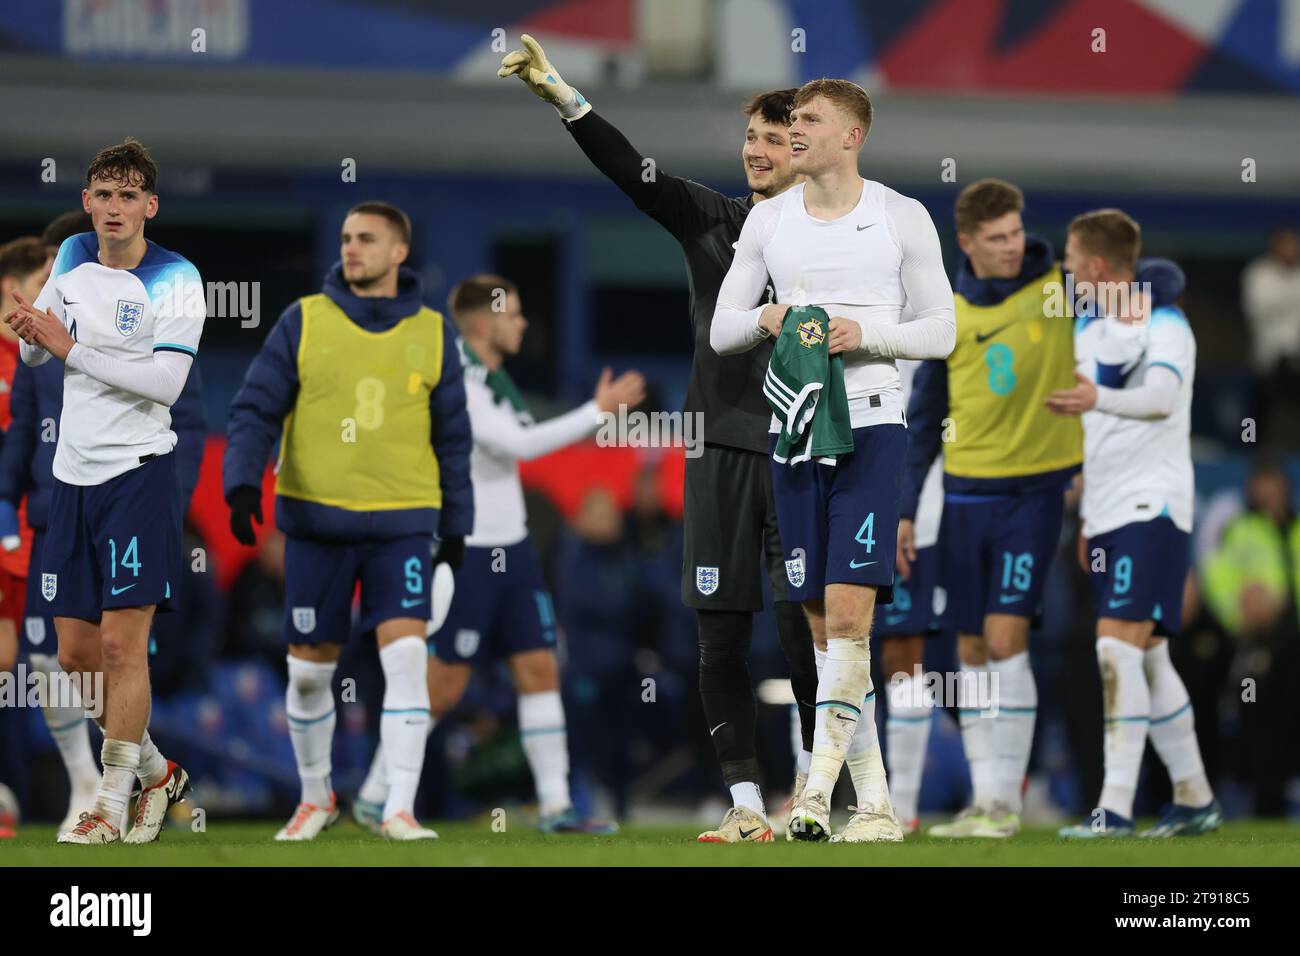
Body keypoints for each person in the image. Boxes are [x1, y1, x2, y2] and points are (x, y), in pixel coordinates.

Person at [499, 34, 820, 843]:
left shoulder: (839, 239)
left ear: (806, 152)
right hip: (716, 452)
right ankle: (746, 804)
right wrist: (568, 100)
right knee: (718, 632)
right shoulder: (709, 219)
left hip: (801, 449)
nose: (756, 151)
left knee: (804, 627)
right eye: (750, 137)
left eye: (774, 141)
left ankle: (814, 795)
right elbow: (630, 171)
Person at [711, 78, 956, 842]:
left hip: (875, 428)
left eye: (810, 122)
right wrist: (770, 315)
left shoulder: (899, 216)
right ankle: (877, 807)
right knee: (824, 632)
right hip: (796, 430)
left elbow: (943, 330)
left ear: (852, 135)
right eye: (792, 122)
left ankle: (814, 797)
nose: (793, 132)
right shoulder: (770, 223)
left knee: (851, 618)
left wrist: (865, 335)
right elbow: (723, 330)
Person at [905, 181, 1185, 838]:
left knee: (1006, 641)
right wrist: (904, 509)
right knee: (970, 652)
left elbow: (1165, 278)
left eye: (1015, 232)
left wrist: (1124, 279)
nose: (1011, 246)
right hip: (964, 494)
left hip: (1034, 493)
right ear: (967, 242)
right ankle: (983, 798)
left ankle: (1004, 801)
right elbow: (924, 420)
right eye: (996, 238)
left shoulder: (1057, 288)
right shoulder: (948, 314)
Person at [352, 274, 643, 832]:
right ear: (484, 324)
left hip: (514, 548)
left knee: (539, 669)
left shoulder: (493, 377)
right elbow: (519, 446)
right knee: (444, 686)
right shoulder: (459, 377)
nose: (523, 323)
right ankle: (374, 793)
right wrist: (597, 411)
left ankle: (557, 806)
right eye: (514, 314)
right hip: (471, 552)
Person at [223, 201, 472, 841]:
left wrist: (458, 533)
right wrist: (243, 481)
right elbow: (254, 408)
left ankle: (399, 810)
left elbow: (453, 441)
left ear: (398, 253)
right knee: (309, 676)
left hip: (403, 527)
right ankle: (315, 799)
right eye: (345, 238)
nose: (350, 248)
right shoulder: (302, 321)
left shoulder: (433, 331)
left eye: (365, 239)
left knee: (409, 661)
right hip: (316, 525)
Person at [3, 138, 202, 844]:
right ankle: (155, 770)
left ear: (148, 206)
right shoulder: (72, 258)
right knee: (76, 659)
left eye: (128, 196)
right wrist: (31, 332)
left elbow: (168, 385)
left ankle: (109, 804)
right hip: (70, 481)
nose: (114, 208)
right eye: (103, 195)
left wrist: (67, 349)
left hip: (138, 473)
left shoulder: (178, 279)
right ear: (86, 201)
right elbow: (36, 352)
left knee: (123, 647)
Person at [1046, 208, 1220, 837]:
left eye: (1070, 259)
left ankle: (1113, 810)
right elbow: (1095, 425)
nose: (1065, 269)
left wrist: (1099, 397)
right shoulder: (1088, 329)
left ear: (1095, 265)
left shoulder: (1166, 323)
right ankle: (1196, 797)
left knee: (1115, 648)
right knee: (1149, 659)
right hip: (1110, 511)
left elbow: (1162, 399)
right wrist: (1087, 503)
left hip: (1156, 504)